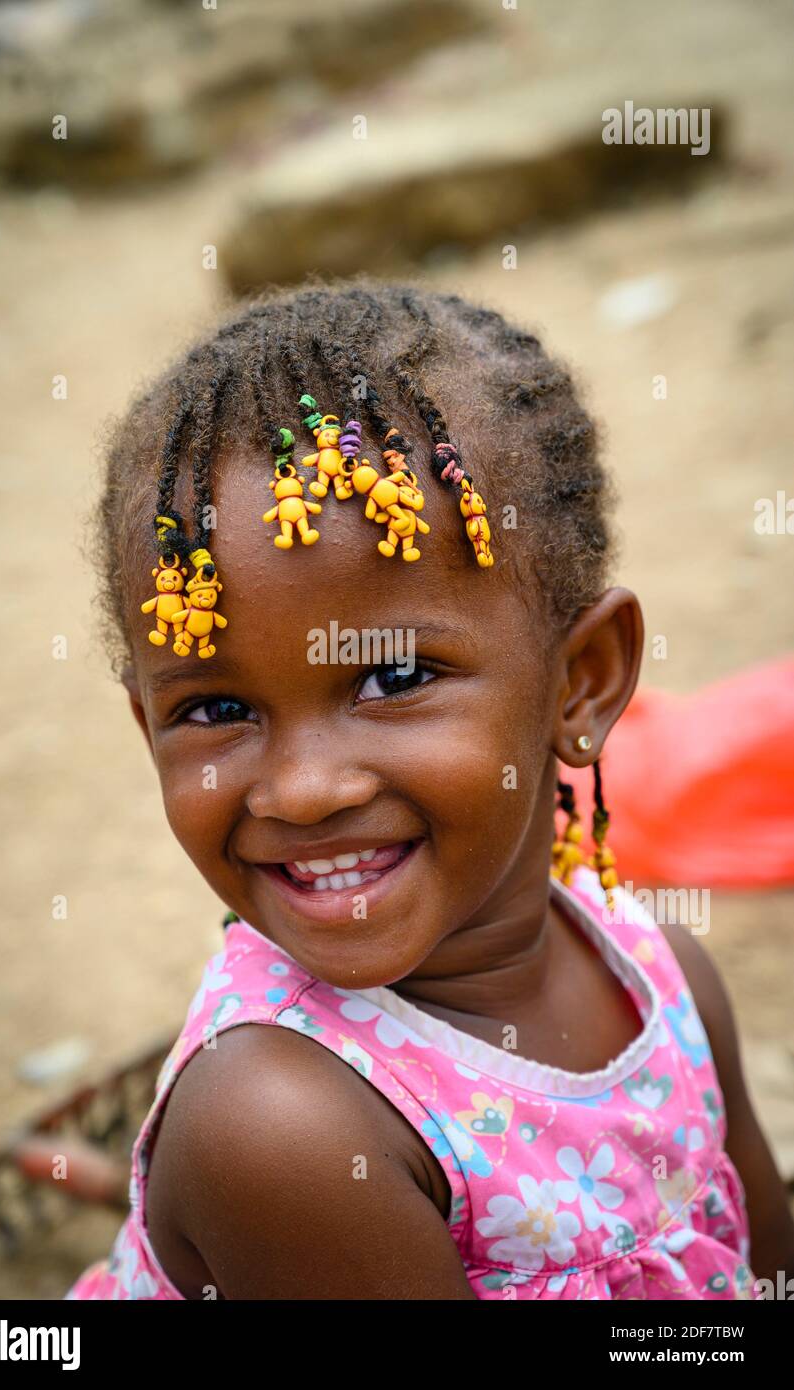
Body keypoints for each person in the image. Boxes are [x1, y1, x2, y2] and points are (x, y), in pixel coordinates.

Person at [65, 281, 794, 1300]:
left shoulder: (659, 977)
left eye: (393, 679)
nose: (303, 789)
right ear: (149, 727)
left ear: (579, 680)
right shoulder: (280, 1130)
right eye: (217, 708)